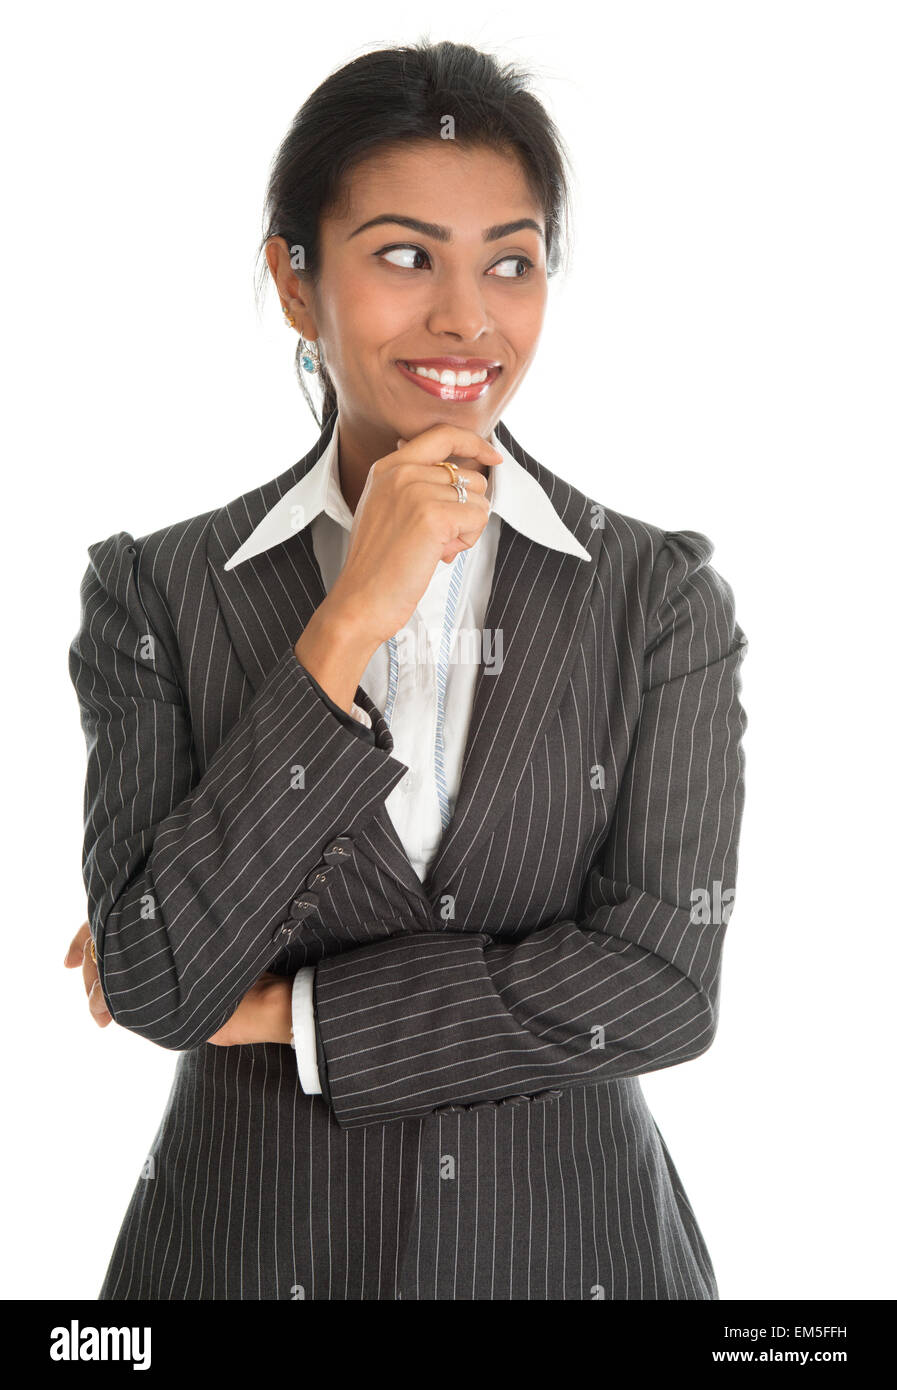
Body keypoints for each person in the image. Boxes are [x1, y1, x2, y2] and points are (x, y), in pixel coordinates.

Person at [66, 39, 747, 1300]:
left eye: (510, 260)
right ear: (293, 277)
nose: (465, 318)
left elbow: (661, 987)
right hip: (246, 1256)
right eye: (401, 255)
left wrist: (291, 1016)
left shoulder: (657, 597)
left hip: (572, 1253)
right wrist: (345, 625)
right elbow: (157, 979)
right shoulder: (155, 592)